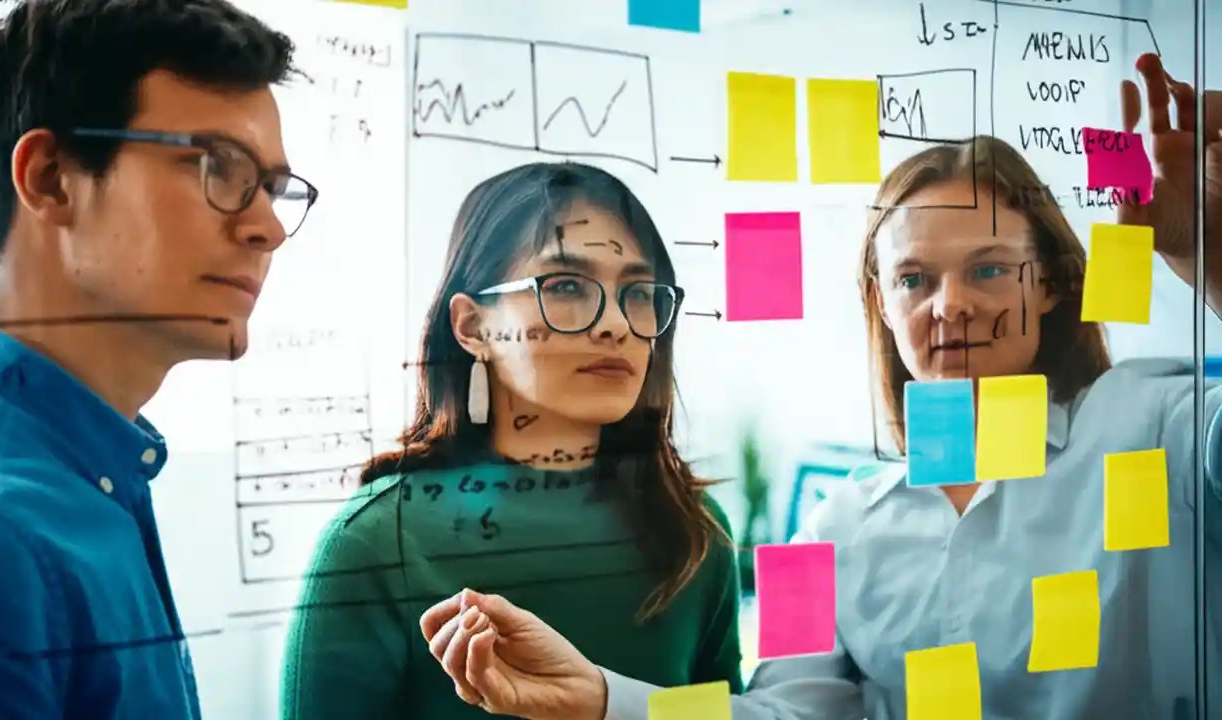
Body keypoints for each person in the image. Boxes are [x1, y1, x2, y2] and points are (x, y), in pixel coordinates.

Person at [418, 52, 1222, 719]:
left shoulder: (1152, 425)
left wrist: (1209, 259)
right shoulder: (832, 521)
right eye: (914, 278)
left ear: (1048, 285)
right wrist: (602, 697)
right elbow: (785, 714)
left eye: (988, 269)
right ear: (882, 302)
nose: (952, 306)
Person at [0, 1, 316, 717]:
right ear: (52, 179)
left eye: (272, 188)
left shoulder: (97, 474)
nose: (268, 227)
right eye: (217, 167)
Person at [280, 162, 742, 719]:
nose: (616, 323)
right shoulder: (377, 543)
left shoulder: (694, 532)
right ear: (473, 327)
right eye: (567, 286)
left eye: (640, 293)